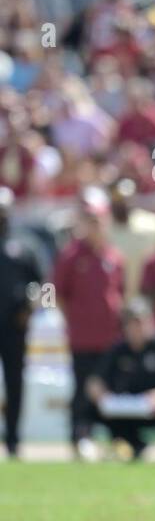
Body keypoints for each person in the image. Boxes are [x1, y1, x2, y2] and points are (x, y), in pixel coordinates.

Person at [53, 192, 124, 460]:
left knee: (109, 387)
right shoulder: (71, 255)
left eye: (98, 219)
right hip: (82, 336)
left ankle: (111, 437)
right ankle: (80, 435)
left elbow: (120, 292)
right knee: (82, 386)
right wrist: (73, 319)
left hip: (109, 336)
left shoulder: (113, 256)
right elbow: (59, 293)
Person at [86, 300, 155, 460]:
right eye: (133, 323)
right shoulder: (117, 349)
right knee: (90, 407)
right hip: (127, 412)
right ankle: (126, 445)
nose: (138, 328)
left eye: (141, 322)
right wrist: (104, 397)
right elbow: (94, 382)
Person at [0, 187, 42, 458]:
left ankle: (14, 439)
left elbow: (40, 284)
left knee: (15, 382)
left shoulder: (24, 246)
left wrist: (29, 310)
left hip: (14, 327)